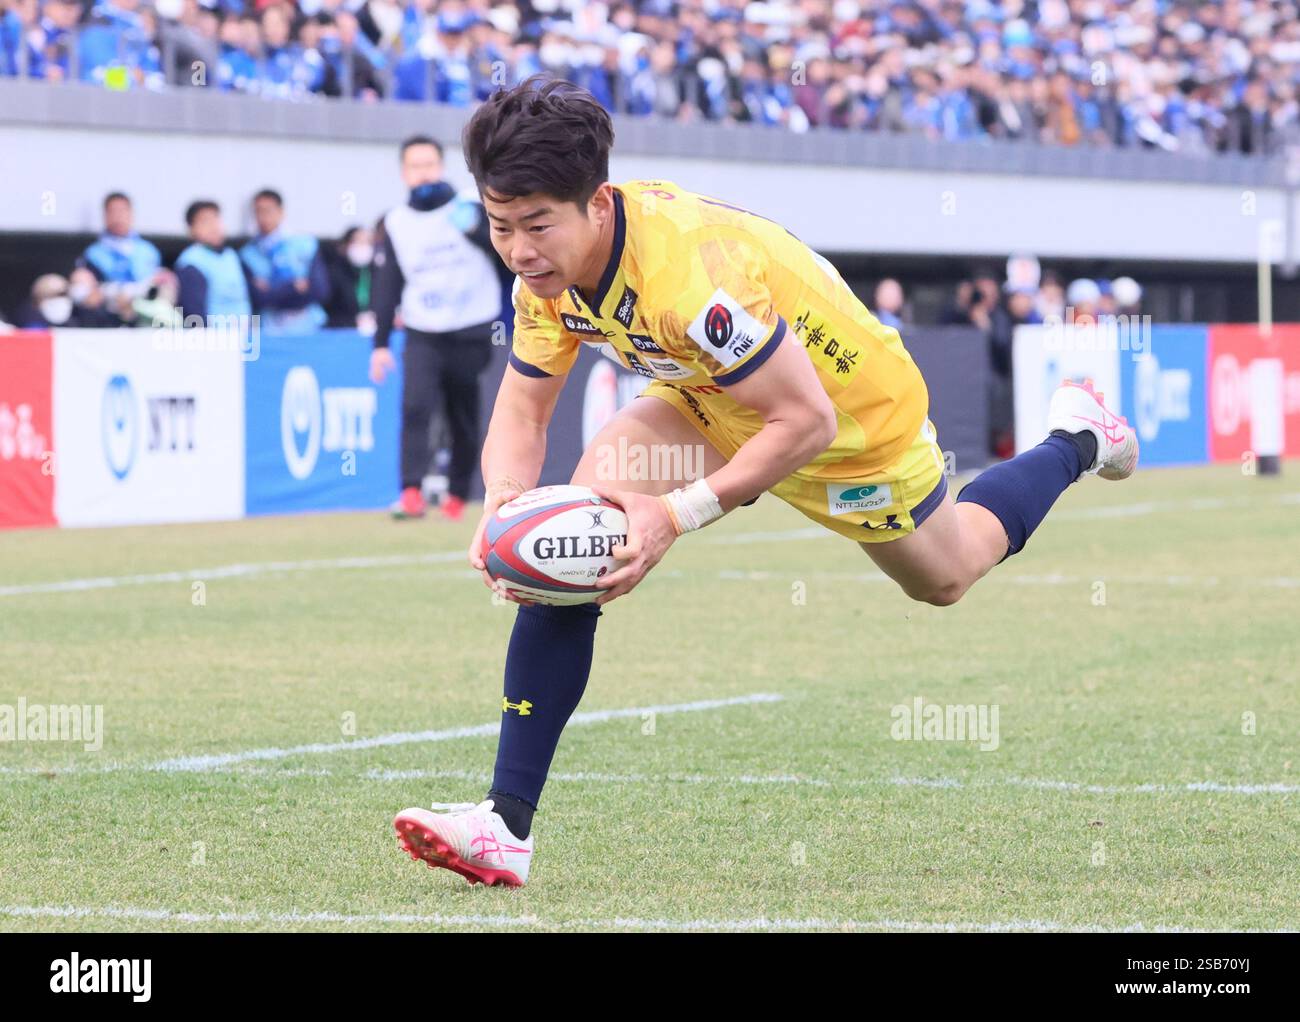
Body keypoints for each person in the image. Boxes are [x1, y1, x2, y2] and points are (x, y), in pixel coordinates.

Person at [391, 77, 1139, 888]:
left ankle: (1077, 437)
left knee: (948, 573)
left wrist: (675, 515)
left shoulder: (688, 278)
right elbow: (524, 412)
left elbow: (805, 423)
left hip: (849, 422)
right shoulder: (543, 278)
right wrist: (505, 506)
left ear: (597, 205)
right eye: (501, 227)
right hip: (708, 400)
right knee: (581, 542)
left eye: (537, 226)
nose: (519, 250)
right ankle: (505, 825)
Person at [369, 134, 504, 522]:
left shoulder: (472, 204)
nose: (423, 172)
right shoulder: (396, 222)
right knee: (414, 406)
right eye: (415, 166)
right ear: (403, 173)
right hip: (423, 329)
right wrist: (379, 343)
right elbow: (387, 284)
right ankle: (410, 491)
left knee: (462, 415)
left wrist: (476, 232)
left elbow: (506, 258)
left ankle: (458, 493)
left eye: (429, 164)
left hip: (471, 326)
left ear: (441, 166)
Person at [239, 188, 331, 333]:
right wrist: (295, 287)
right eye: (258, 211)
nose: (263, 217)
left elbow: (319, 290)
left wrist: (272, 289)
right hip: (270, 329)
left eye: (268, 210)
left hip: (308, 327)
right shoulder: (248, 254)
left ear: (281, 212)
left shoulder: (305, 244)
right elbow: (258, 298)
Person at [78, 193, 163, 320]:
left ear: (131, 214)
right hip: (107, 309)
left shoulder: (148, 251)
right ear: (105, 216)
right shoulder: (93, 253)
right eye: (113, 211)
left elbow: (154, 284)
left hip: (143, 309)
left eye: (122, 211)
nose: (118, 217)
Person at [175, 200, 252, 323]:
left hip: (244, 338)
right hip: (214, 339)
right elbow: (193, 313)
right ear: (191, 229)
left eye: (216, 219)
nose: (213, 226)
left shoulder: (231, 256)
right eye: (205, 221)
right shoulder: (191, 262)